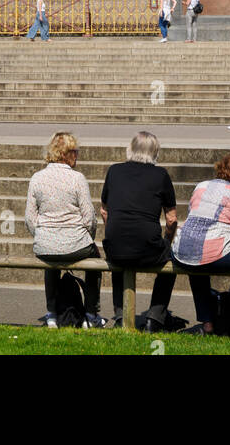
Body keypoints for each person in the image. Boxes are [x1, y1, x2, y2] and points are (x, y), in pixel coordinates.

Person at [25, 132, 105, 329]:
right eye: (75, 151)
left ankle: (52, 312)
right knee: (95, 259)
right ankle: (91, 313)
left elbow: (29, 218)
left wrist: (42, 235)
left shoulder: (37, 178)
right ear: (66, 154)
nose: (77, 155)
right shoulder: (77, 178)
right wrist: (87, 238)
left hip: (45, 245)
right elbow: (89, 218)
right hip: (76, 244)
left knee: (50, 259)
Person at [171, 151, 230, 337]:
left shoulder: (200, 186)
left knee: (196, 263)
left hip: (182, 250)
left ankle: (207, 322)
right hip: (217, 252)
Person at [100, 131, 178, 331]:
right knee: (172, 262)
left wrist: (112, 230)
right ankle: (155, 317)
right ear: (155, 152)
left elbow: (104, 211)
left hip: (115, 245)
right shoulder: (161, 175)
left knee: (119, 254)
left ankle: (120, 315)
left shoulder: (114, 171)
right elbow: (171, 219)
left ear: (131, 149)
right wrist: (167, 241)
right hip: (148, 247)